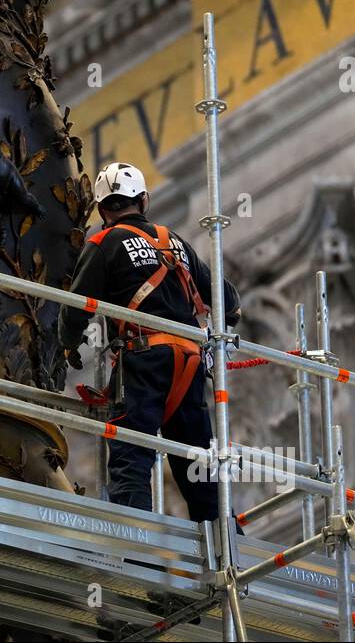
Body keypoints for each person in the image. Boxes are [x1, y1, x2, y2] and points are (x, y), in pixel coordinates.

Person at [58, 162, 241, 520]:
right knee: (198, 464)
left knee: (131, 458)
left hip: (143, 359)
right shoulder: (174, 243)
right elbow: (229, 302)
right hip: (189, 362)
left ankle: (137, 561)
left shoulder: (102, 243)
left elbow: (77, 308)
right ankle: (228, 552)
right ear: (143, 200)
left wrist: (69, 344)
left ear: (101, 209)